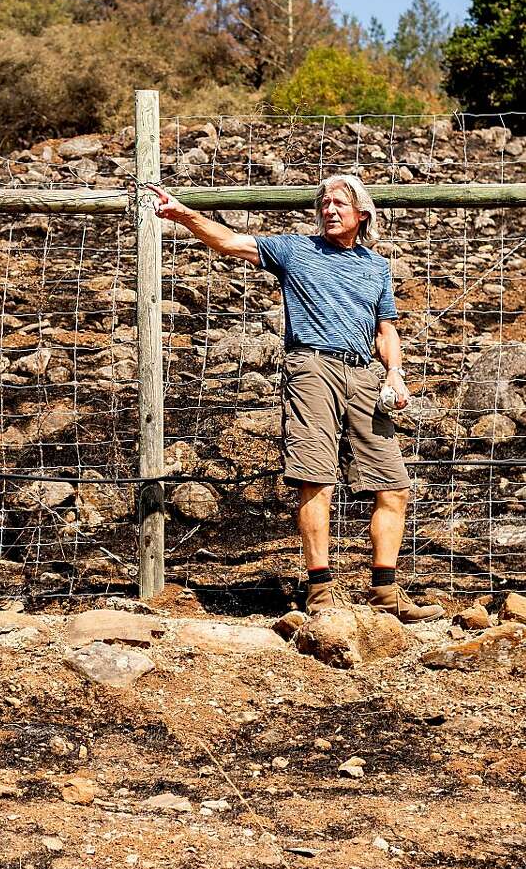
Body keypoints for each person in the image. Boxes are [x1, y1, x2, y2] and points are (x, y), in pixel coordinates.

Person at [148, 175, 415, 614]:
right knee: (316, 479)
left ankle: (385, 593)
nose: (329, 209)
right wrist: (183, 214)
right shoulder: (296, 250)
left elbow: (386, 329)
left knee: (394, 486)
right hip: (311, 368)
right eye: (324, 202)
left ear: (361, 214)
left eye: (340, 204)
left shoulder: (376, 268)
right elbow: (231, 242)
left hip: (365, 375)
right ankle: (321, 590)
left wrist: (396, 373)